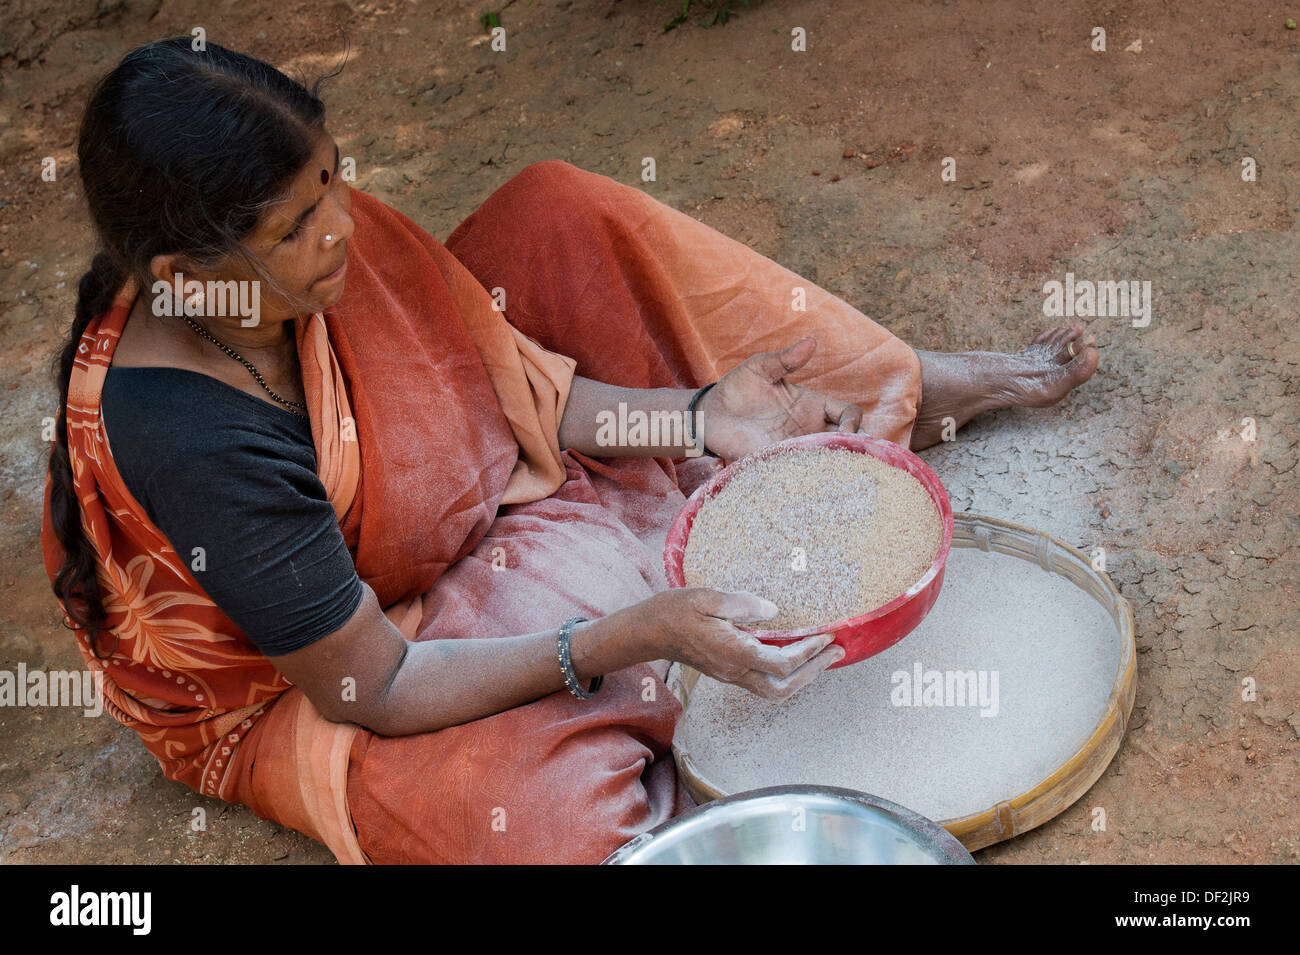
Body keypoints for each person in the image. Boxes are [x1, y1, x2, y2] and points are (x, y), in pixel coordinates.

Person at [41, 38, 1099, 865]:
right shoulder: (192, 441)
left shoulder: (303, 260)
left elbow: (498, 389)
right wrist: (620, 636)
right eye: (295, 225)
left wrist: (694, 419)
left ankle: (909, 383)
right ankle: (609, 603)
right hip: (342, 672)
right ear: (186, 275)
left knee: (555, 216)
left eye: (333, 184)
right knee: (526, 818)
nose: (341, 235)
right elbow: (375, 685)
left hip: (444, 505)